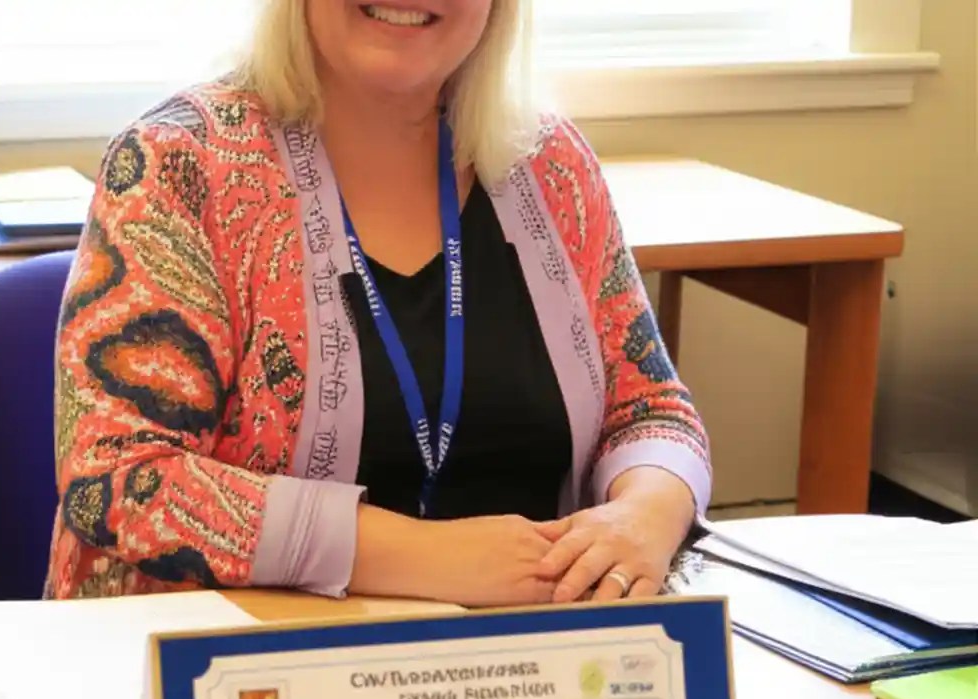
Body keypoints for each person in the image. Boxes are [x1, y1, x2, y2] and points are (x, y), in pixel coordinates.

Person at [45, 0, 711, 608]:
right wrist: (425, 557)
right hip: (247, 664)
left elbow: (650, 409)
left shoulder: (551, 163)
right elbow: (119, 477)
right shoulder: (177, 163)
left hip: (534, 666)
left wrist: (647, 513)